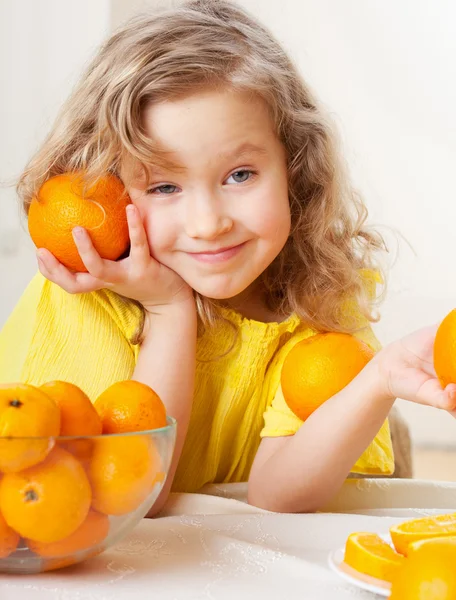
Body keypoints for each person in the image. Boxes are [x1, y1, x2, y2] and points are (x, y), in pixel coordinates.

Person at [0, 0, 454, 515]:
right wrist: (169, 310)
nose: (208, 222)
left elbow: (276, 499)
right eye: (166, 186)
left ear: (295, 167)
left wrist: (379, 380)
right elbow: (131, 497)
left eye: (240, 175)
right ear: (110, 189)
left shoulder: (316, 300)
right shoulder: (90, 294)